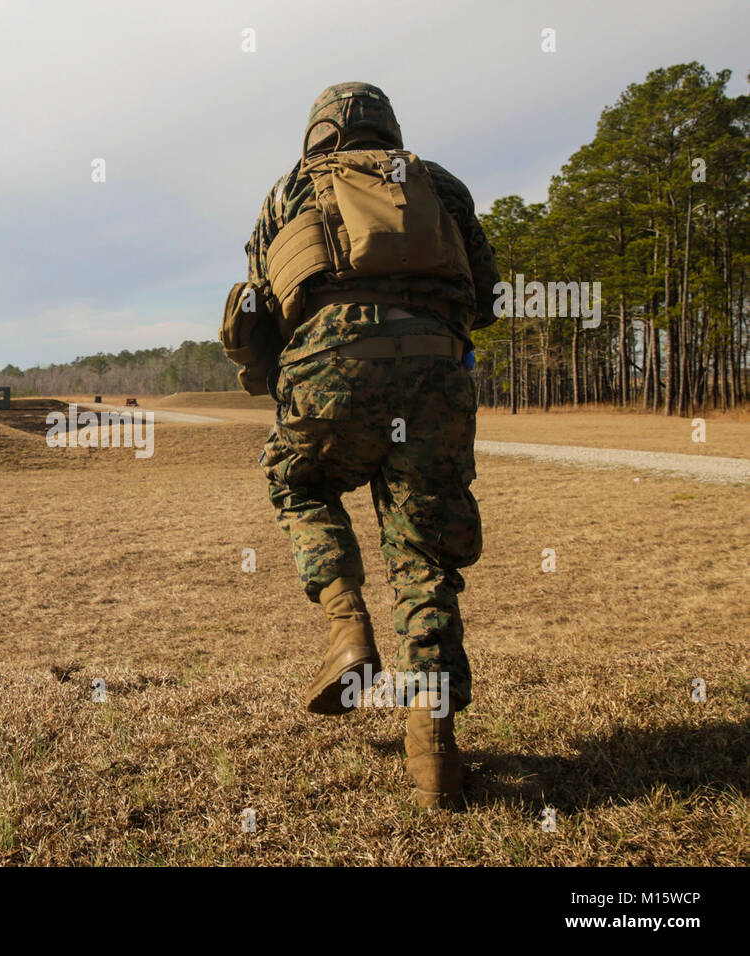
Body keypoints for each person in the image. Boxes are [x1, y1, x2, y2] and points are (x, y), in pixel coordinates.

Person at [230, 82, 501, 809]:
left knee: (297, 482)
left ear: (318, 133)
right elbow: (490, 294)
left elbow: (258, 304)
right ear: (388, 127)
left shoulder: (290, 189)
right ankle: (434, 750)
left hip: (330, 372)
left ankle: (347, 630)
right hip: (436, 375)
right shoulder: (438, 183)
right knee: (423, 556)